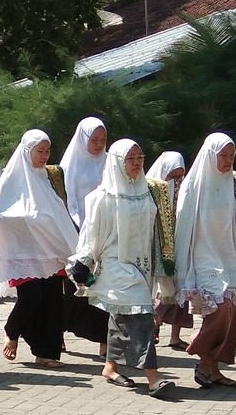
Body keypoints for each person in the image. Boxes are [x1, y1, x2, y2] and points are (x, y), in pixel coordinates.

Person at [68, 139, 176, 398]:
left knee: (120, 316)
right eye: (131, 158)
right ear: (117, 161)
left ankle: (110, 367)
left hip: (142, 267)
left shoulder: (146, 192)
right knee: (141, 318)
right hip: (115, 265)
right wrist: (83, 261)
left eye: (140, 157)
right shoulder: (101, 197)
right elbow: (91, 234)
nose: (137, 162)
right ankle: (153, 378)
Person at [175, 133, 236, 388]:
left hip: (232, 255)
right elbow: (182, 225)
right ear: (210, 156)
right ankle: (203, 358)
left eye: (231, 156)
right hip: (203, 257)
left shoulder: (234, 182)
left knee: (232, 310)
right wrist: (180, 266)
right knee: (220, 306)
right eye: (223, 156)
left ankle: (212, 367)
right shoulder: (193, 185)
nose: (227, 161)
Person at [0, 130, 74, 369]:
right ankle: (12, 331)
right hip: (23, 252)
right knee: (31, 299)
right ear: (27, 151)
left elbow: (58, 214)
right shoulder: (12, 178)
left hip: (49, 252)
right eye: (40, 151)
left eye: (47, 151)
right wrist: (28, 222)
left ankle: (46, 353)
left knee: (52, 303)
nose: (44, 156)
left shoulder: (48, 179)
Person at [57, 117, 112, 358]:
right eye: (94, 140)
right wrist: (78, 224)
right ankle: (58, 333)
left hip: (105, 231)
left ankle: (105, 343)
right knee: (72, 289)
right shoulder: (69, 166)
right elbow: (64, 200)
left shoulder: (110, 162)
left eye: (103, 140)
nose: (99, 145)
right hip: (76, 230)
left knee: (104, 288)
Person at [147, 151, 192, 349]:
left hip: (179, 245)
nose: (176, 182)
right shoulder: (149, 189)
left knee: (180, 288)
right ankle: (153, 323)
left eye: (180, 177)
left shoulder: (187, 190)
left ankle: (175, 336)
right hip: (155, 246)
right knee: (157, 288)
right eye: (172, 177)